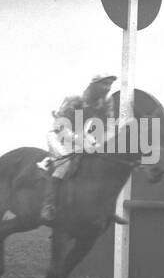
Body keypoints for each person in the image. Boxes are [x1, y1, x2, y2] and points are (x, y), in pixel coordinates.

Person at [41, 74, 117, 225]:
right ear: (93, 84)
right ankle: (49, 205)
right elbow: (60, 127)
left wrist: (98, 142)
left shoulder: (107, 102)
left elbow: (110, 128)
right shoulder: (74, 99)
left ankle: (106, 209)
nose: (107, 88)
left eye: (109, 85)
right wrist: (81, 141)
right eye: (104, 84)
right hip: (59, 136)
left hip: (83, 139)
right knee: (64, 165)